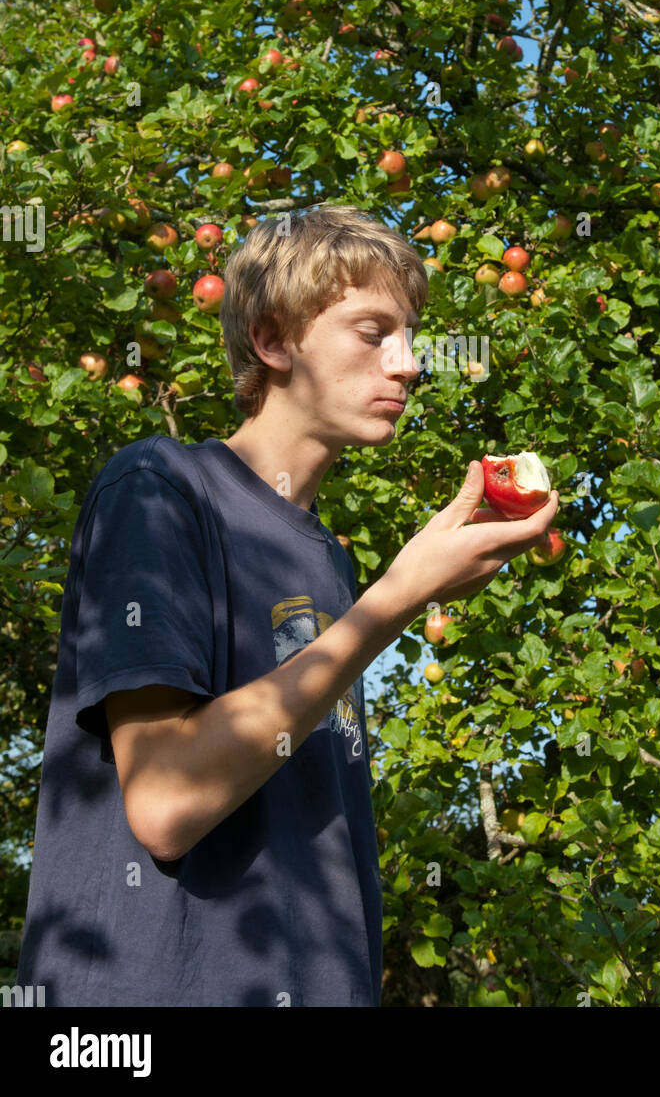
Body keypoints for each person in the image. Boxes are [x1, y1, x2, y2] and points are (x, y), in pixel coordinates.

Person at [15, 205, 559, 1006]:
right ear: (273, 341)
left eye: (409, 337)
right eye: (374, 333)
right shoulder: (162, 489)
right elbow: (166, 803)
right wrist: (401, 596)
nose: (407, 365)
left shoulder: (327, 559)